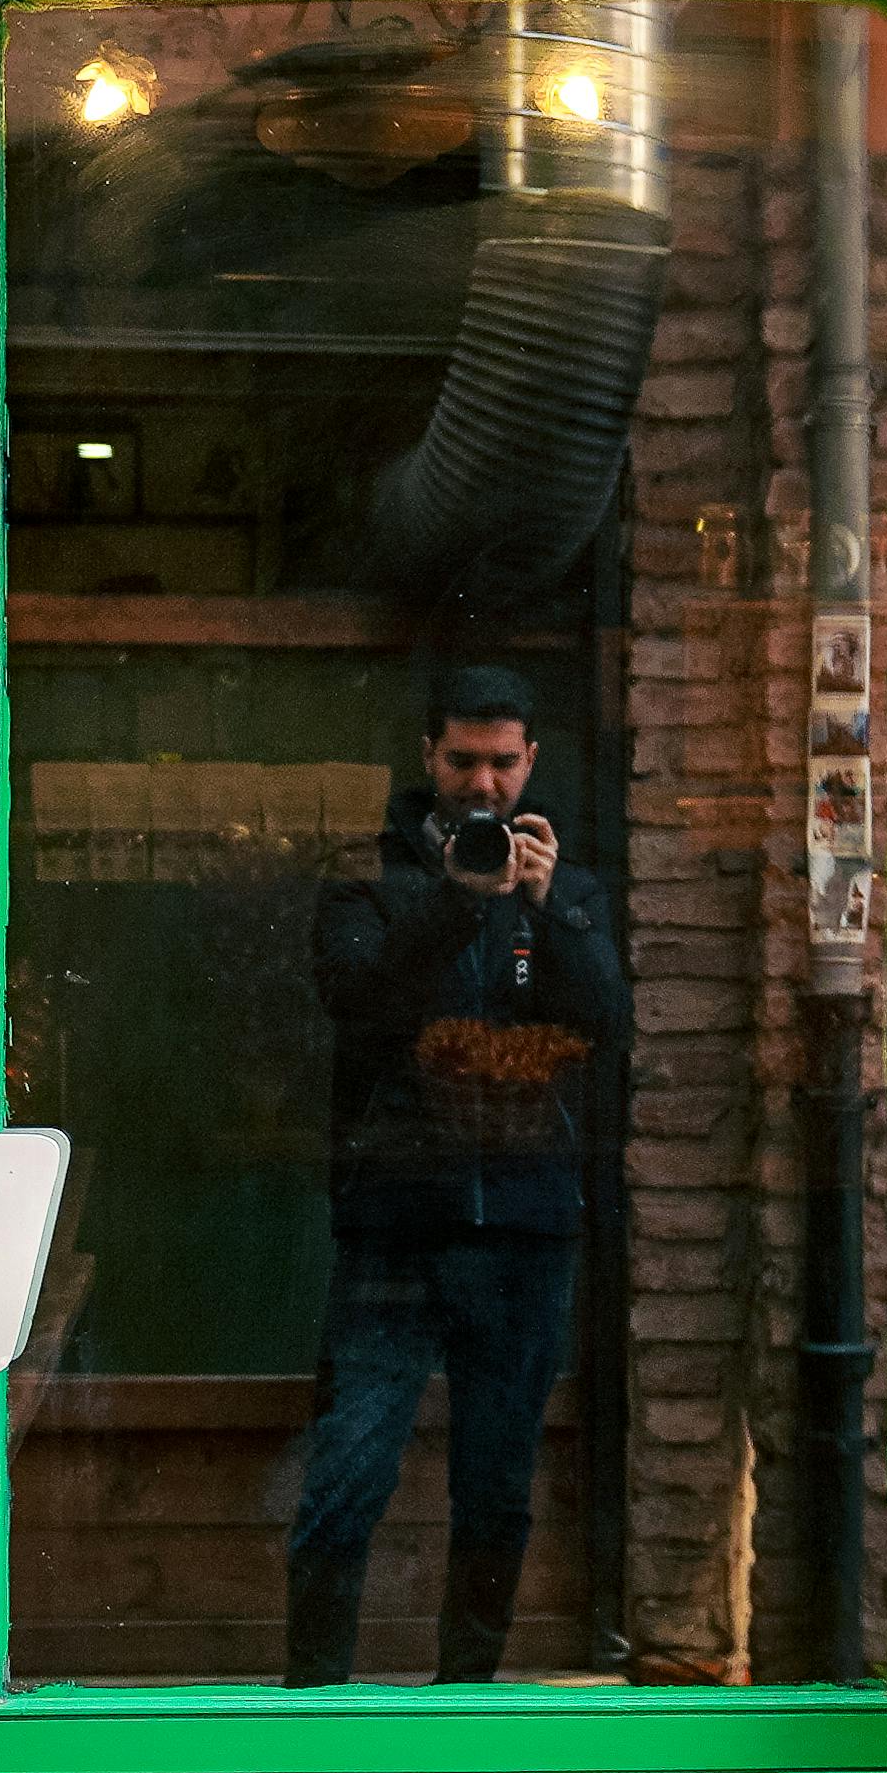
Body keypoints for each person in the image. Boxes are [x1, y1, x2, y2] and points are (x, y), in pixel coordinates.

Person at [285, 669, 622, 1684]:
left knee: (495, 1489)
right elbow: (358, 997)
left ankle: (465, 1703)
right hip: (395, 1225)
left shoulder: (566, 884)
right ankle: (310, 1717)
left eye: (502, 761)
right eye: (462, 760)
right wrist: (449, 902)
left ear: (531, 763)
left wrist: (549, 907)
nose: (482, 783)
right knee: (345, 1472)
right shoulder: (369, 877)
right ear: (427, 756)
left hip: (523, 1230)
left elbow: (607, 1022)